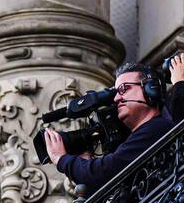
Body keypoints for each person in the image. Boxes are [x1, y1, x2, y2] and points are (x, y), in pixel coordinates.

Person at [43, 62, 173, 193]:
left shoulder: (157, 128)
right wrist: (87, 161)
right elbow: (109, 179)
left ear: (151, 89)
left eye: (124, 89)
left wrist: (61, 159)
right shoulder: (137, 138)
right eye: (116, 92)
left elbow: (105, 171)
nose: (116, 98)